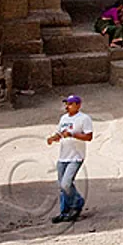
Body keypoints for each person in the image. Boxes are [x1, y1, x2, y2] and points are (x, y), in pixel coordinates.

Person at [46, 95, 93, 223]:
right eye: (67, 104)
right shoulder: (64, 118)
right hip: (63, 156)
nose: (67, 106)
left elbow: (88, 137)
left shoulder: (84, 118)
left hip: (76, 156)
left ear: (78, 105)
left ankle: (77, 202)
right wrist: (53, 138)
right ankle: (64, 211)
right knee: (62, 186)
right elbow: (60, 133)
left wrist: (72, 134)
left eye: (70, 104)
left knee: (66, 183)